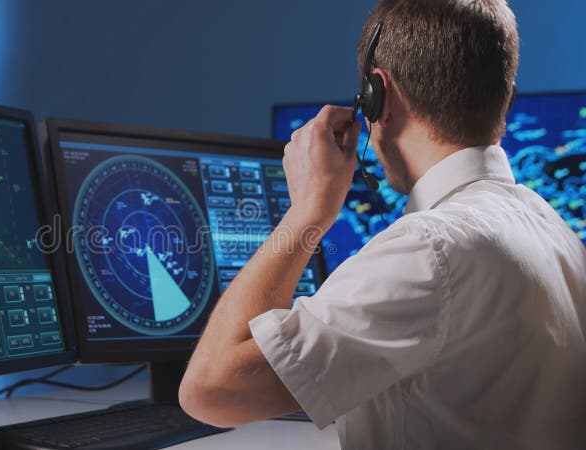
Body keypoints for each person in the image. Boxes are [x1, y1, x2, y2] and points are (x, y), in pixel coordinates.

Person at [178, 0, 586, 448]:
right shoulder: (555, 231)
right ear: (505, 97)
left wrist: (307, 213)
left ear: (379, 95)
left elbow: (211, 391)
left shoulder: (428, 251)